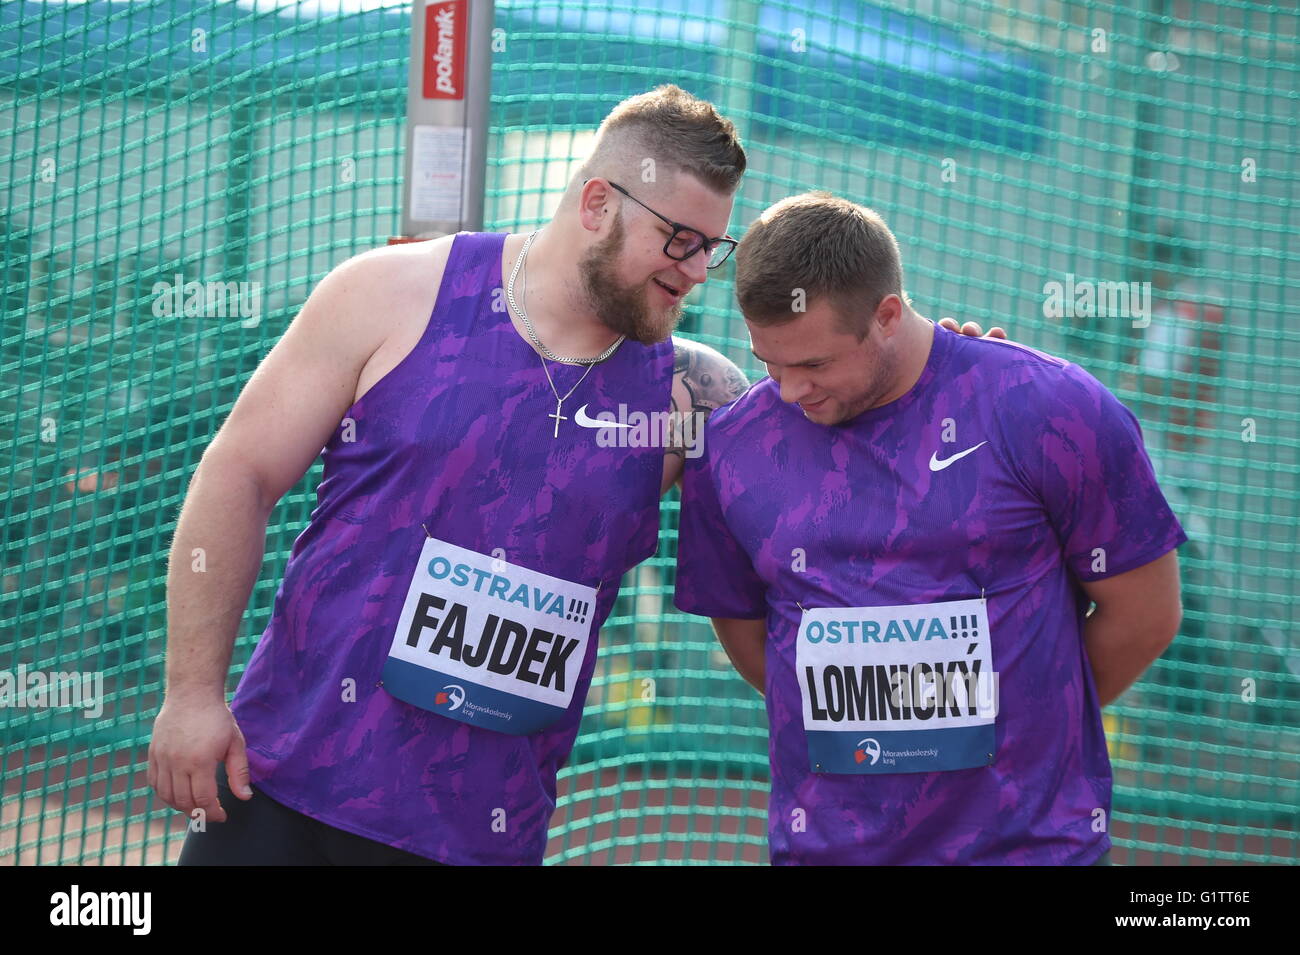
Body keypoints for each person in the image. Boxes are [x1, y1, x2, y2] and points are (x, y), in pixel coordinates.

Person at [150, 84, 753, 865]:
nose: (699, 269)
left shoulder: (693, 397)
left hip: (476, 837)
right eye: (680, 239)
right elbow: (240, 471)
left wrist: (952, 365)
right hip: (282, 786)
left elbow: (829, 458)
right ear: (599, 202)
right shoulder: (393, 293)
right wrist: (193, 692)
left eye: (714, 247)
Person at [673, 192, 1187, 865]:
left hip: (1026, 850)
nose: (790, 389)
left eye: (815, 364)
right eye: (770, 362)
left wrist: (1013, 722)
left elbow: (1146, 612)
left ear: (886, 315)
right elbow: (750, 638)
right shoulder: (733, 446)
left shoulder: (1050, 407)